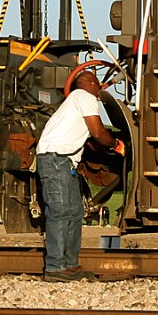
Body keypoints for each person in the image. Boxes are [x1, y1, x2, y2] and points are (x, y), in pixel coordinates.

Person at [35, 70, 123, 282]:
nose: (99, 89)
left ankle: (70, 265)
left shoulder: (75, 100)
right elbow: (98, 132)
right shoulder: (85, 97)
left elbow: (90, 138)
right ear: (90, 83)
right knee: (60, 212)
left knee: (74, 212)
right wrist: (116, 145)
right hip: (56, 159)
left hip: (62, 161)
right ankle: (56, 267)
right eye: (97, 84)